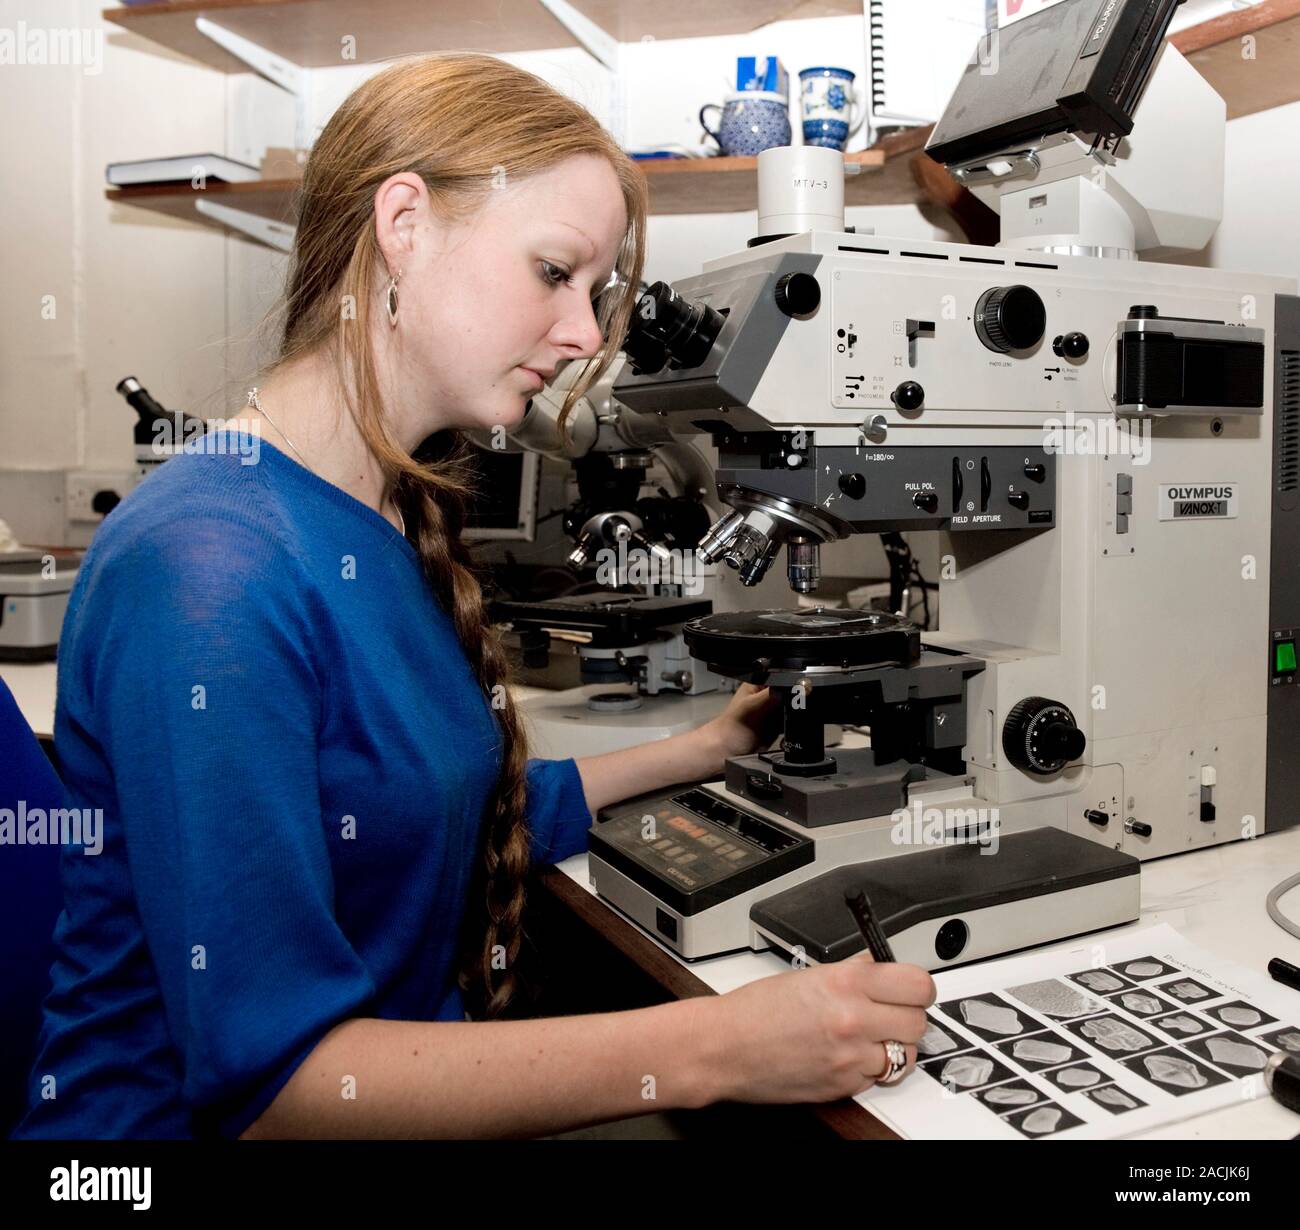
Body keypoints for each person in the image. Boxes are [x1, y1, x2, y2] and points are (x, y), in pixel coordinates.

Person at [14, 53, 934, 1141]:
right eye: (555, 273)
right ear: (402, 224)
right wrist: (716, 1047)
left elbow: (444, 815)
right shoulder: (207, 573)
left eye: (594, 295)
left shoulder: (376, 515)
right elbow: (281, 1084)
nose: (588, 335)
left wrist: (699, 749)